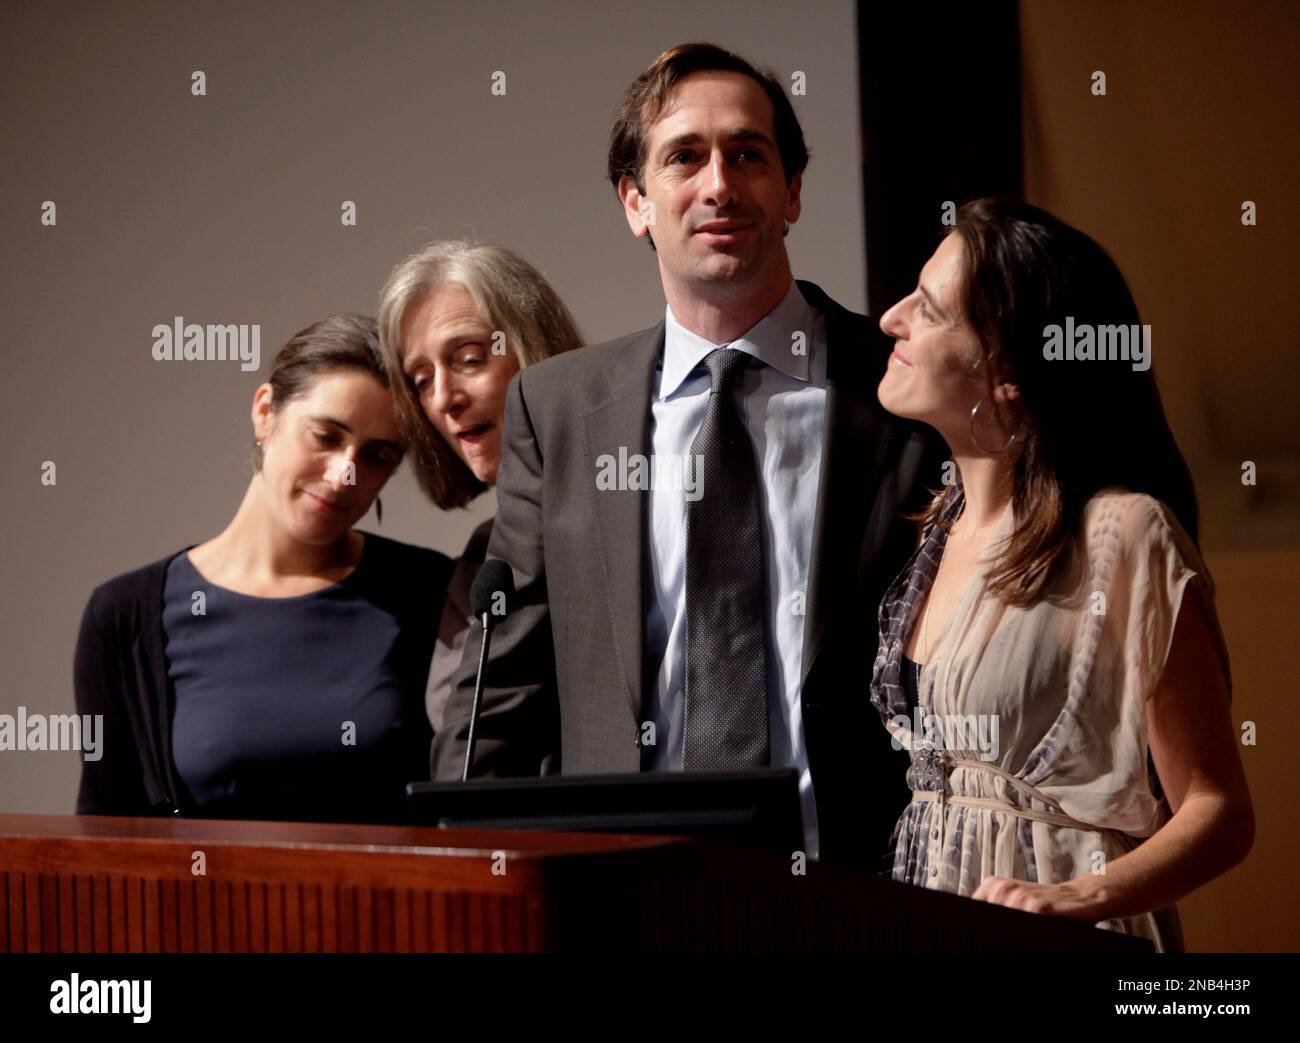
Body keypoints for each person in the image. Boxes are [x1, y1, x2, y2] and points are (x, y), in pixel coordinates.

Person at [430, 42, 945, 870]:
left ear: (794, 192)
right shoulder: (558, 410)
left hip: (867, 889)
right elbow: (504, 689)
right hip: (627, 895)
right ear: (636, 202)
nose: (718, 184)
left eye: (748, 154)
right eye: (683, 158)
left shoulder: (901, 387)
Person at [870, 198, 1254, 951]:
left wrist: (1075, 895)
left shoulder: (1123, 534)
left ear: (1005, 369)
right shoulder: (938, 524)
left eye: (927, 307)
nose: (891, 318)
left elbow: (1219, 808)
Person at [74, 314, 452, 824]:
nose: (345, 474)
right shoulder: (124, 616)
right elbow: (104, 837)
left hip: (389, 904)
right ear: (265, 411)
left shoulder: (427, 589)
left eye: (378, 456)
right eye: (325, 436)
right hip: (201, 904)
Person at [375, 241, 582, 734]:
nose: (444, 398)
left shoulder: (631, 517)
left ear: (538, 351)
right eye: (422, 380)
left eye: (469, 359)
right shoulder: (479, 560)